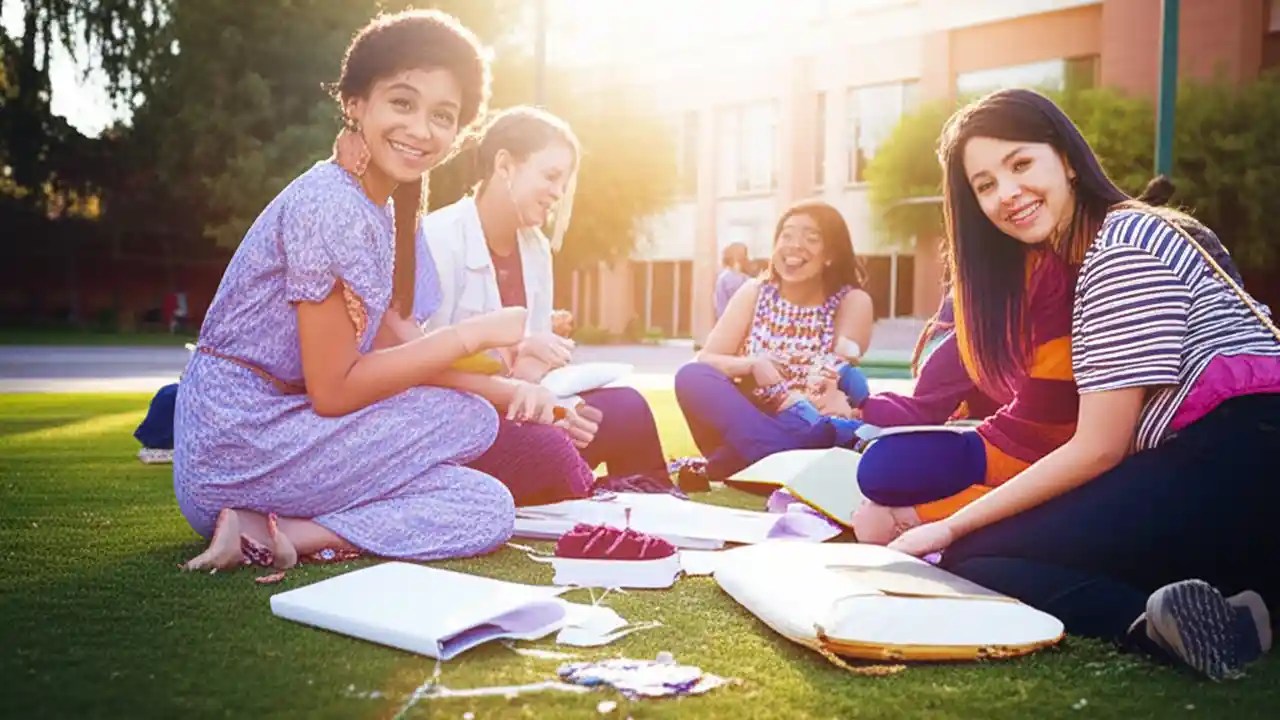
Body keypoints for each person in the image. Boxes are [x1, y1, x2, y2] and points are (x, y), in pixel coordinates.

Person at [887, 88, 1280, 680]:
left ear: (1066, 159)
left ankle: (1159, 624)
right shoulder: (1125, 237)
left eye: (1021, 164)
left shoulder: (1121, 248)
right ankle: (1238, 606)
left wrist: (948, 525)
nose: (1007, 194)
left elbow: (1099, 447)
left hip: (1242, 455)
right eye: (985, 184)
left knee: (973, 554)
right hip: (1228, 462)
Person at [175, 9, 540, 572]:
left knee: (484, 507)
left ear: (458, 130)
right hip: (237, 447)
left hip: (290, 440)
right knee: (467, 420)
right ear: (355, 103)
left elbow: (397, 354)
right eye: (402, 102)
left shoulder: (386, 209)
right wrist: (473, 333)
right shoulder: (332, 204)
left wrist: (512, 390)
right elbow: (335, 391)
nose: (421, 129)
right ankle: (253, 518)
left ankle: (278, 534)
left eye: (442, 115)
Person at [418, 106, 669, 483]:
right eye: (551, 176)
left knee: (627, 408)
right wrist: (533, 403)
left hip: (518, 413)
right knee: (551, 451)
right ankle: (579, 488)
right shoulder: (438, 239)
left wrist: (563, 409)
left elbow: (528, 372)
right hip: (454, 424)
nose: (557, 193)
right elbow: (417, 369)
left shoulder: (534, 249)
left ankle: (644, 513)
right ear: (504, 165)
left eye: (563, 182)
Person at [673, 200, 874, 482]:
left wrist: (787, 397)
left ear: (830, 254)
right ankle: (775, 460)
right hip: (746, 421)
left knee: (817, 427)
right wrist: (752, 365)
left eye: (810, 238)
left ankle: (750, 462)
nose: (794, 245)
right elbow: (707, 359)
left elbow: (836, 377)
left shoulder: (851, 301)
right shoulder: (754, 292)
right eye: (786, 235)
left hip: (808, 423)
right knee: (691, 376)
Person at [714, 242, 751, 320]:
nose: (744, 256)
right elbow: (721, 305)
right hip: (730, 321)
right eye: (740, 253)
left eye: (744, 254)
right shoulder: (724, 279)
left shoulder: (747, 279)